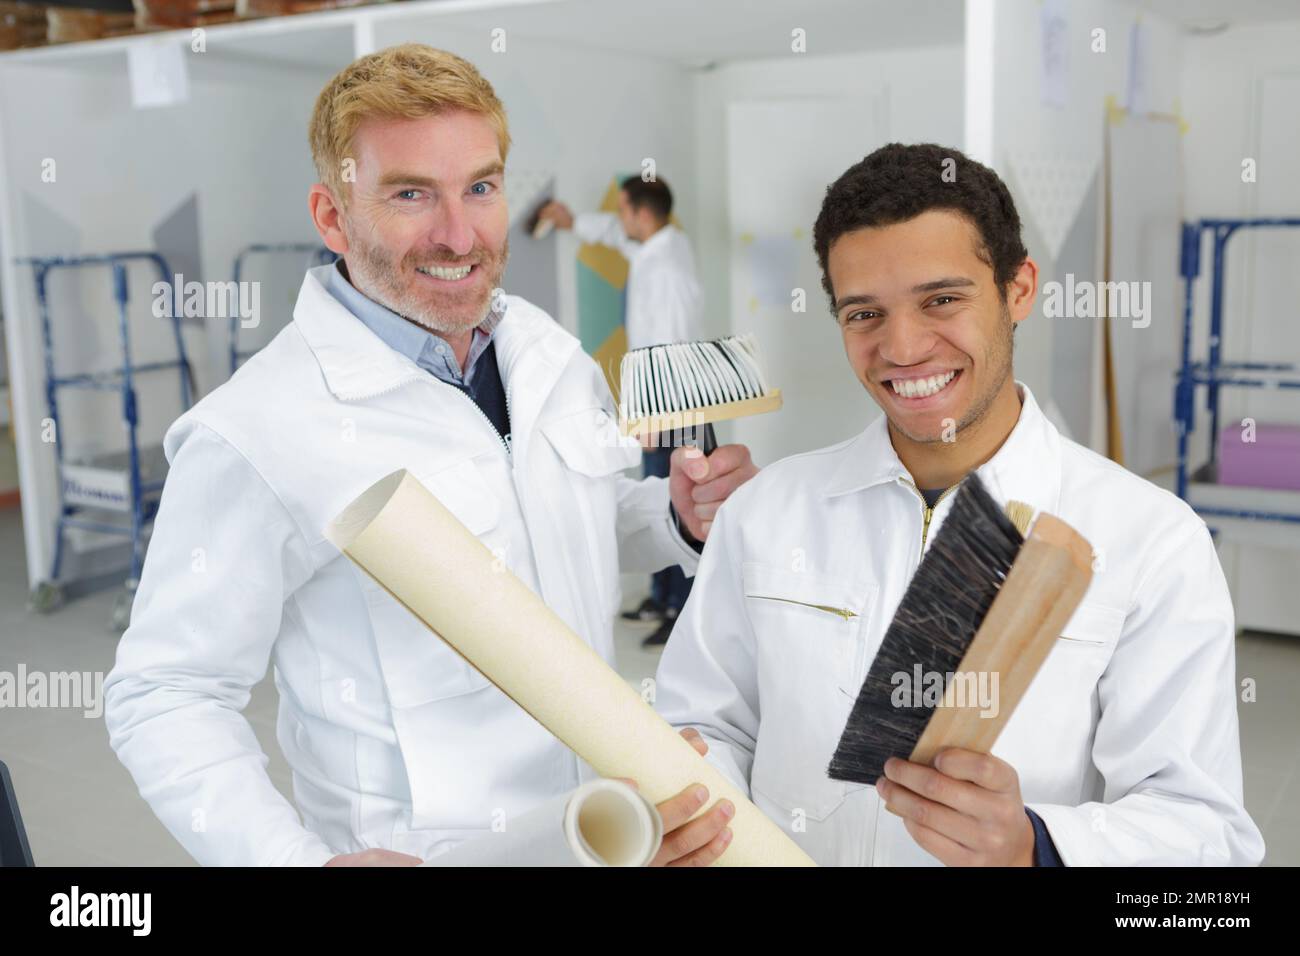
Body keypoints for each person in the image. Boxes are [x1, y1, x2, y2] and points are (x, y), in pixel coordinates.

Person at [103, 44, 756, 867]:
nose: (460, 233)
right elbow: (164, 692)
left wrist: (672, 516)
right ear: (334, 216)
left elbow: (561, 523)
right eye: (412, 194)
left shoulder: (547, 355)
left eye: (480, 187)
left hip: (610, 831)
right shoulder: (258, 428)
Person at [654, 143, 1265, 866]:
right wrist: (694, 812)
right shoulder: (770, 513)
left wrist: (1033, 848)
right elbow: (706, 725)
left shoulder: (1151, 539)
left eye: (942, 299)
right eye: (864, 314)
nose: (903, 347)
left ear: (1019, 289)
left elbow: (1206, 833)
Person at [538, 180, 703, 646]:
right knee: (658, 490)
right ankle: (660, 596)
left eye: (623, 211)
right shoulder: (657, 248)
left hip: (670, 402)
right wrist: (574, 223)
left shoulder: (666, 268)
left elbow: (670, 346)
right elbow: (614, 234)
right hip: (659, 402)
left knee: (674, 500)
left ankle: (680, 610)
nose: (620, 219)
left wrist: (654, 412)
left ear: (639, 214)